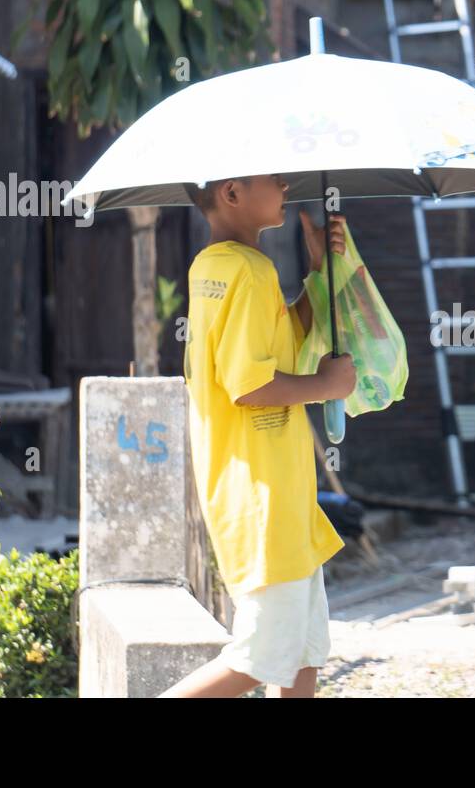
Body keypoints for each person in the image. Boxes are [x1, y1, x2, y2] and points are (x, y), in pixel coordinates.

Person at [159, 173, 355, 698]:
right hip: (266, 497)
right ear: (232, 193)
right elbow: (250, 384)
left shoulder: (212, 266)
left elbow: (282, 341)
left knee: (301, 658)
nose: (287, 189)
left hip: (267, 490)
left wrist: (318, 274)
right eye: (276, 181)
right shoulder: (249, 270)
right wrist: (325, 384)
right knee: (260, 656)